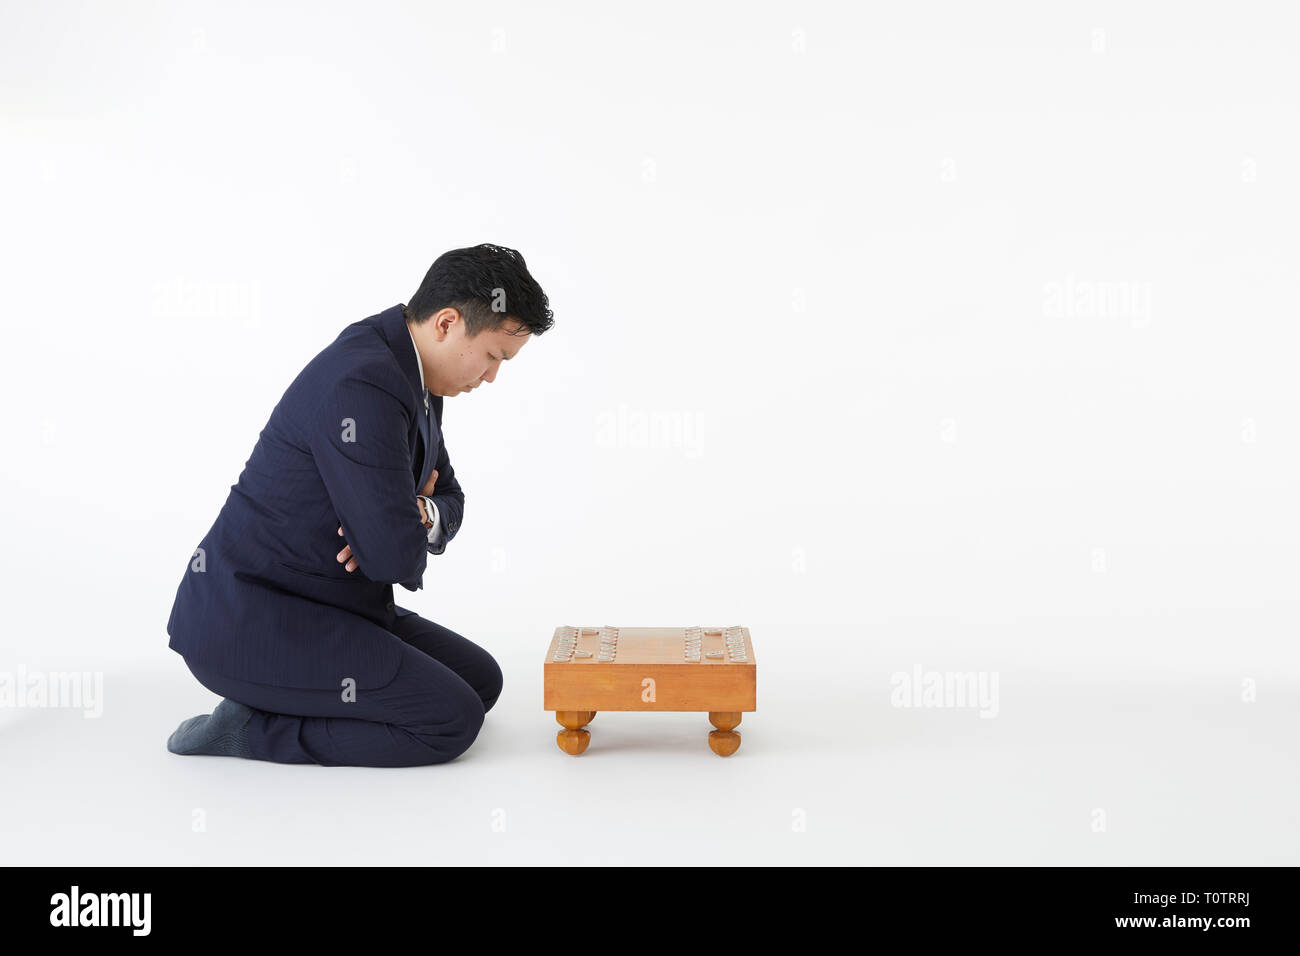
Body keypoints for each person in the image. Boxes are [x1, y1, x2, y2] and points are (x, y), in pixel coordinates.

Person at [163, 243, 554, 766]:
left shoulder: (415, 371)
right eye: (493, 357)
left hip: (332, 601)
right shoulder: (364, 379)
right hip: (252, 620)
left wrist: (417, 514)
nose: (491, 377)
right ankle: (248, 730)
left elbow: (450, 497)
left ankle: (300, 701)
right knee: (450, 720)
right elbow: (393, 558)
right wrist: (390, 530)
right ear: (446, 323)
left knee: (481, 681)